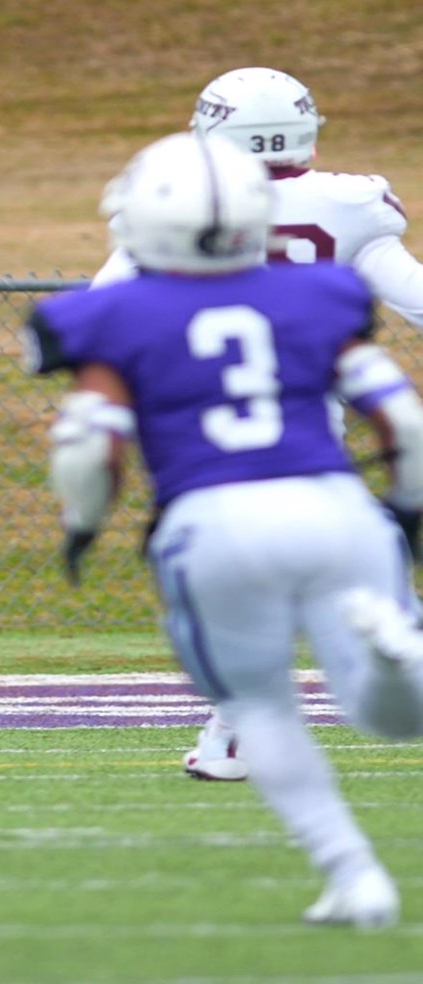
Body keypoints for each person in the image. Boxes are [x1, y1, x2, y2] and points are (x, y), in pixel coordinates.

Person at [26, 131, 423, 928]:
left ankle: (354, 874)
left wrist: (83, 526)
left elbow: (89, 442)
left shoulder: (109, 314)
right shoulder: (321, 294)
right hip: (333, 503)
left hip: (212, 521)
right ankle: (393, 653)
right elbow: (400, 416)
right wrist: (407, 508)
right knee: (393, 717)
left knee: (258, 706)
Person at [93, 68, 423, 783]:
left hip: (202, 438)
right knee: (345, 573)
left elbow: (104, 311)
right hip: (308, 430)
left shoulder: (179, 201)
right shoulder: (350, 205)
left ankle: (236, 731)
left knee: (239, 593)